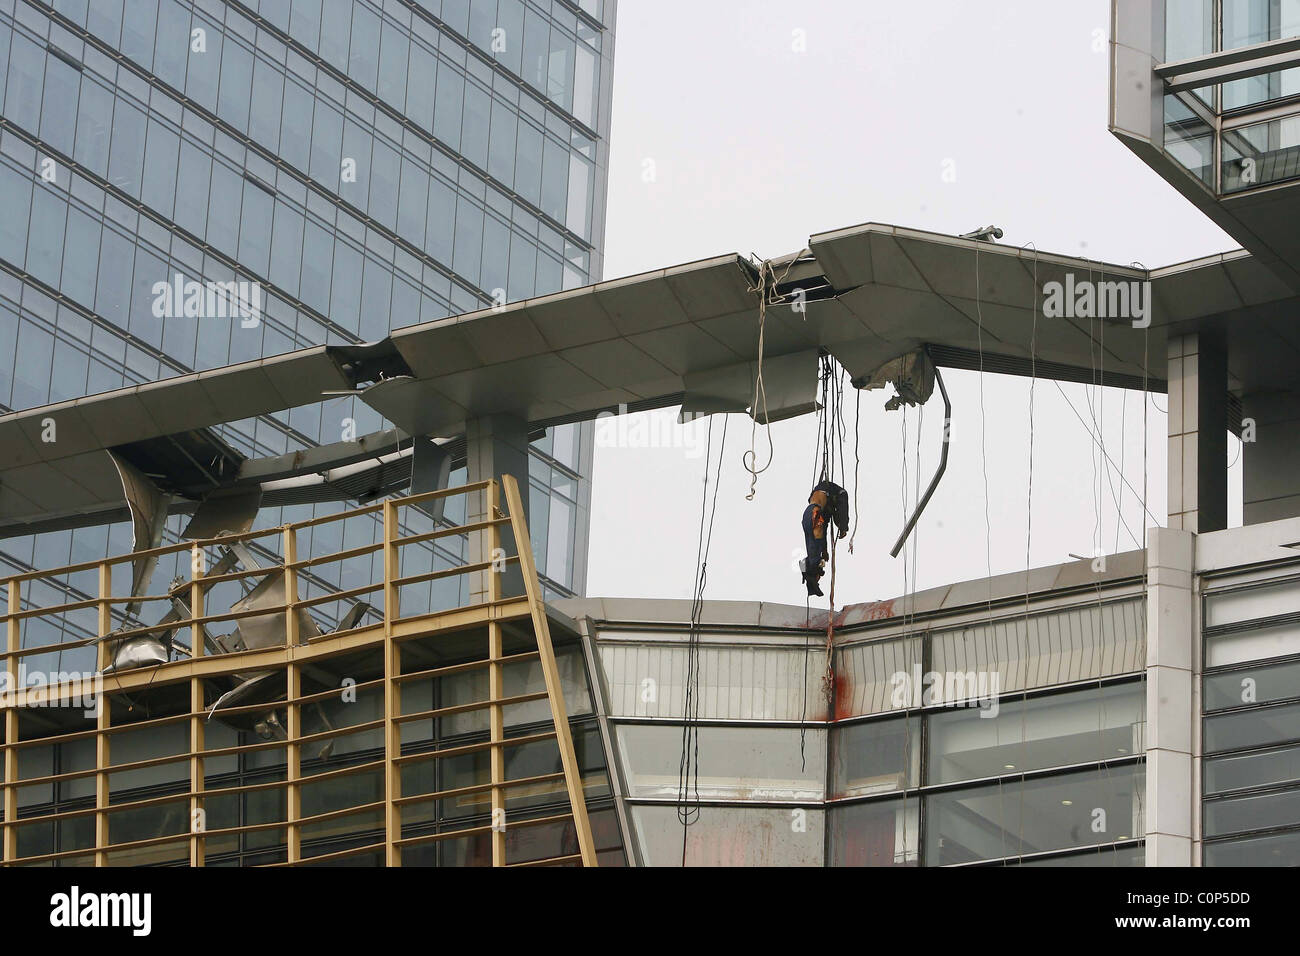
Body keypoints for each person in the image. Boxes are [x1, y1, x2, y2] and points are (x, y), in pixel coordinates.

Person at [800, 480, 848, 597]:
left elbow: (824, 529)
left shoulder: (824, 501)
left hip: (807, 515)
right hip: (814, 514)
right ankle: (811, 575)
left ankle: (809, 577)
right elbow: (843, 506)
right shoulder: (839, 493)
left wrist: (825, 550)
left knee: (813, 550)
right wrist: (843, 527)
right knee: (815, 554)